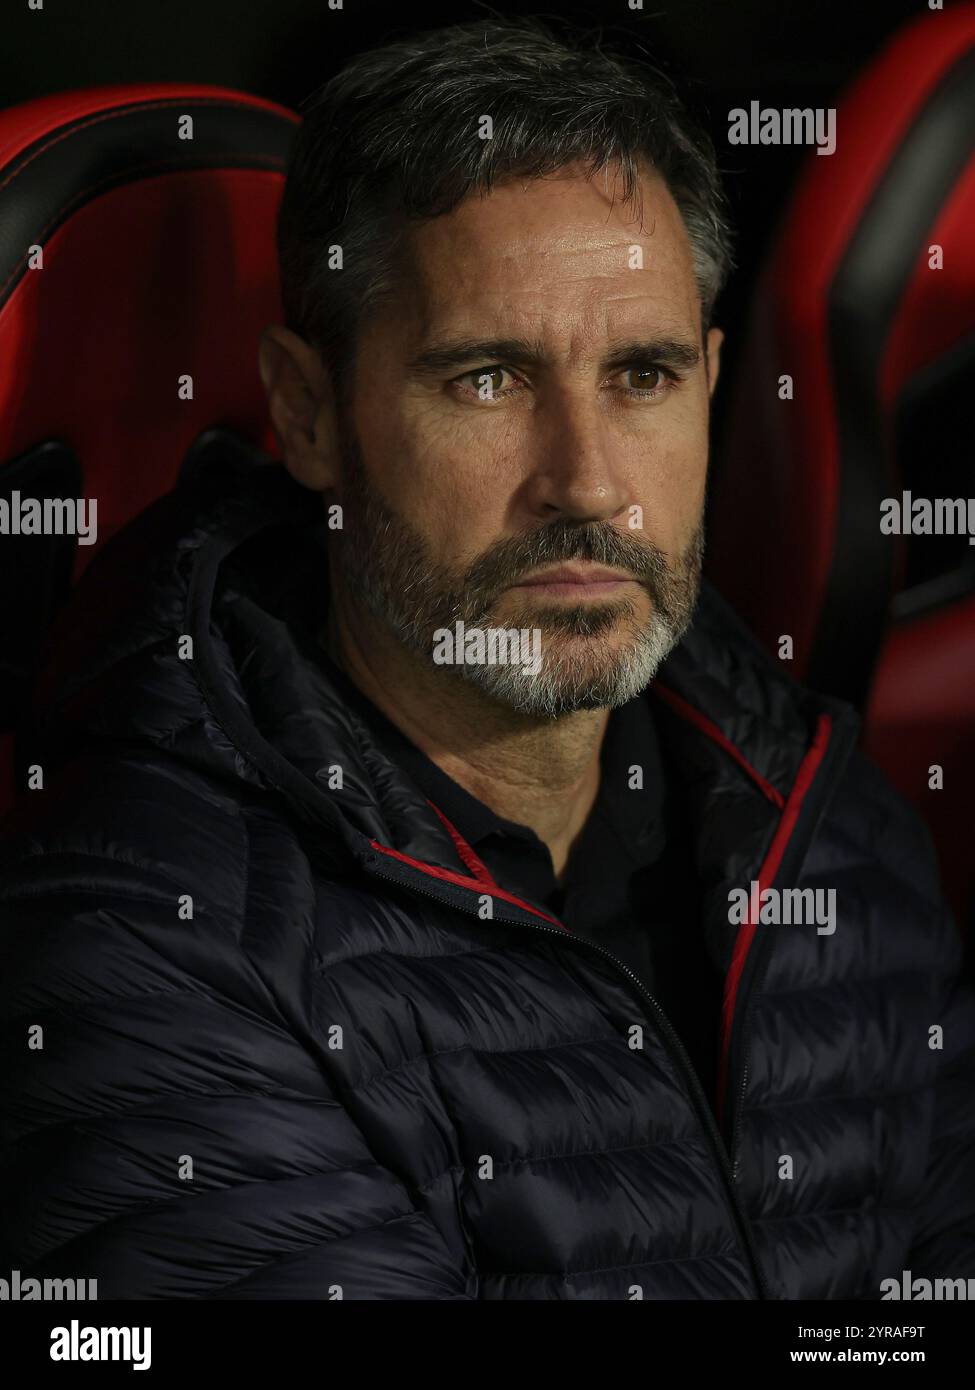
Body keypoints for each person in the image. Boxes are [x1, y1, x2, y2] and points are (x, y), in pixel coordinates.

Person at [1, 15, 973, 1301]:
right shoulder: (151, 954)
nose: (587, 483)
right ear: (308, 412)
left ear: (713, 382)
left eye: (642, 374)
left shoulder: (810, 799)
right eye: (486, 379)